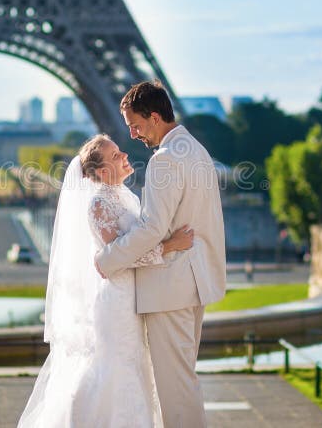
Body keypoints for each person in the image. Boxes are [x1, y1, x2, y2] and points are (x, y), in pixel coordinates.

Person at [18, 135, 195, 427]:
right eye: (115, 156)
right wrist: (171, 245)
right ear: (101, 172)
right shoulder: (99, 205)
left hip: (133, 297)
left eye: (119, 151)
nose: (124, 155)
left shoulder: (126, 196)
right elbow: (120, 257)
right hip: (118, 302)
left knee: (131, 367)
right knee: (119, 368)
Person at [95, 81, 226, 428]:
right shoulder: (196, 150)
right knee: (182, 380)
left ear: (154, 117)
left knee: (175, 389)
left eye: (136, 125)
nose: (133, 134)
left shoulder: (164, 160)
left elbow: (153, 228)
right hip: (194, 281)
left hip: (170, 286)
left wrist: (108, 259)